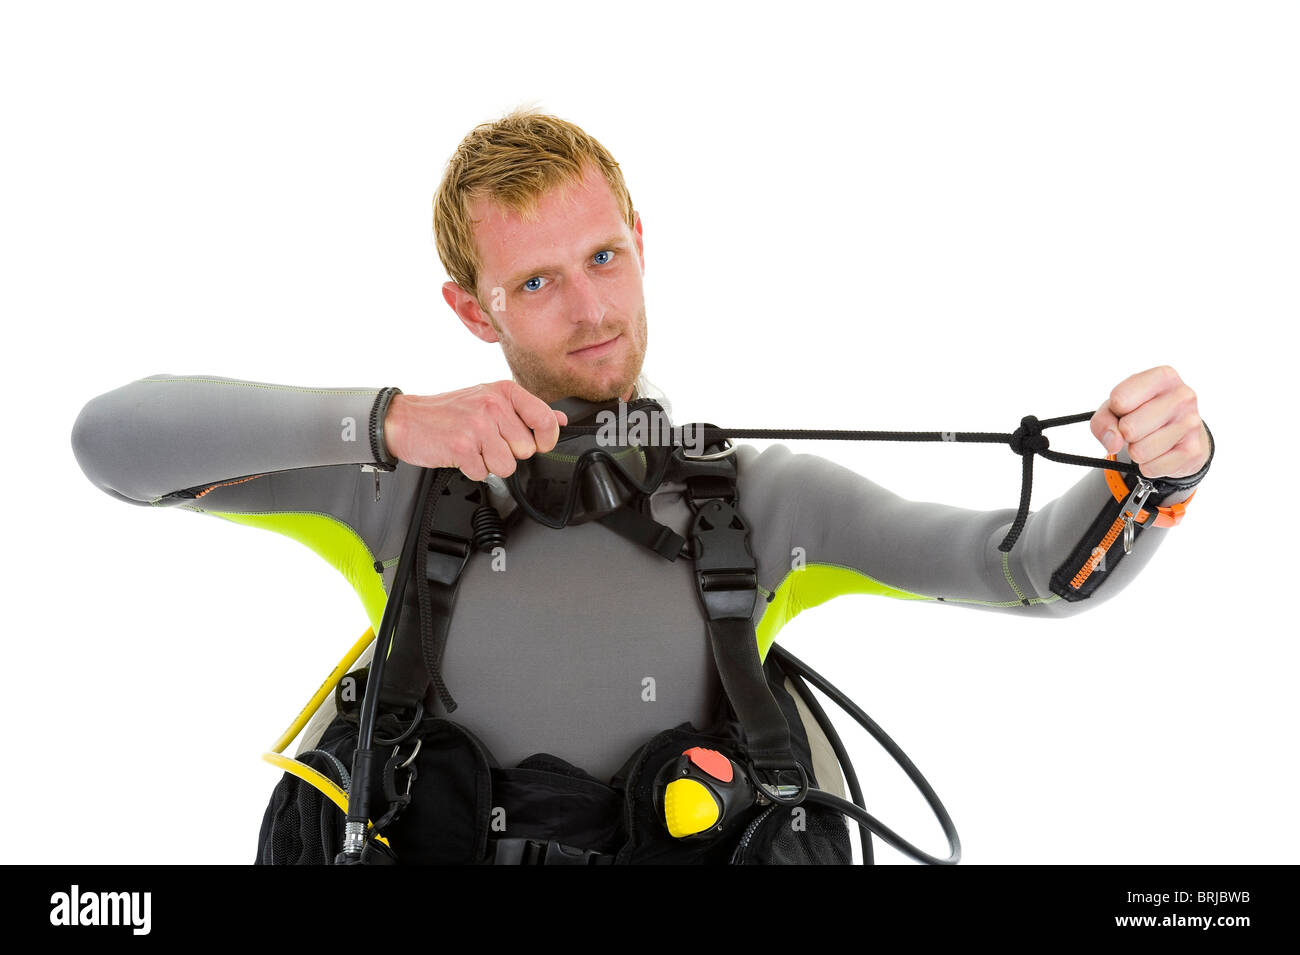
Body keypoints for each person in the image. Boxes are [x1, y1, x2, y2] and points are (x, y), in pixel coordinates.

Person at [70, 108, 1214, 863]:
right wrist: (386, 421)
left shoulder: (766, 505)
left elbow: (1028, 573)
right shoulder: (393, 482)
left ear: (641, 240)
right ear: (475, 311)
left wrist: (1152, 477)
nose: (591, 309)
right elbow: (111, 445)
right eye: (537, 281)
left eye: (604, 257)